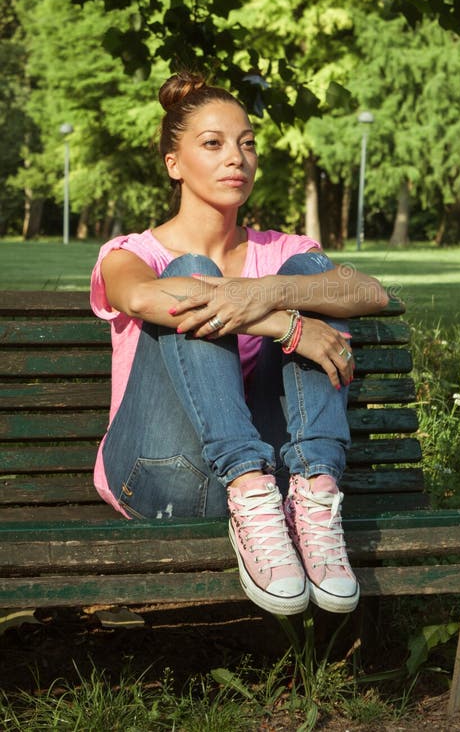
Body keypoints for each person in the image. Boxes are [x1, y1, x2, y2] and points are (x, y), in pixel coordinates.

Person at [90, 70, 389, 617]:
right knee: (190, 272)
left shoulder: (282, 250)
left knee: (312, 272)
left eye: (247, 144)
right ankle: (250, 489)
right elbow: (139, 297)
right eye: (213, 144)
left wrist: (268, 290)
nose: (237, 157)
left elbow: (366, 290)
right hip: (160, 474)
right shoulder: (131, 252)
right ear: (173, 164)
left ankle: (316, 493)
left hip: (282, 494)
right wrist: (284, 324)